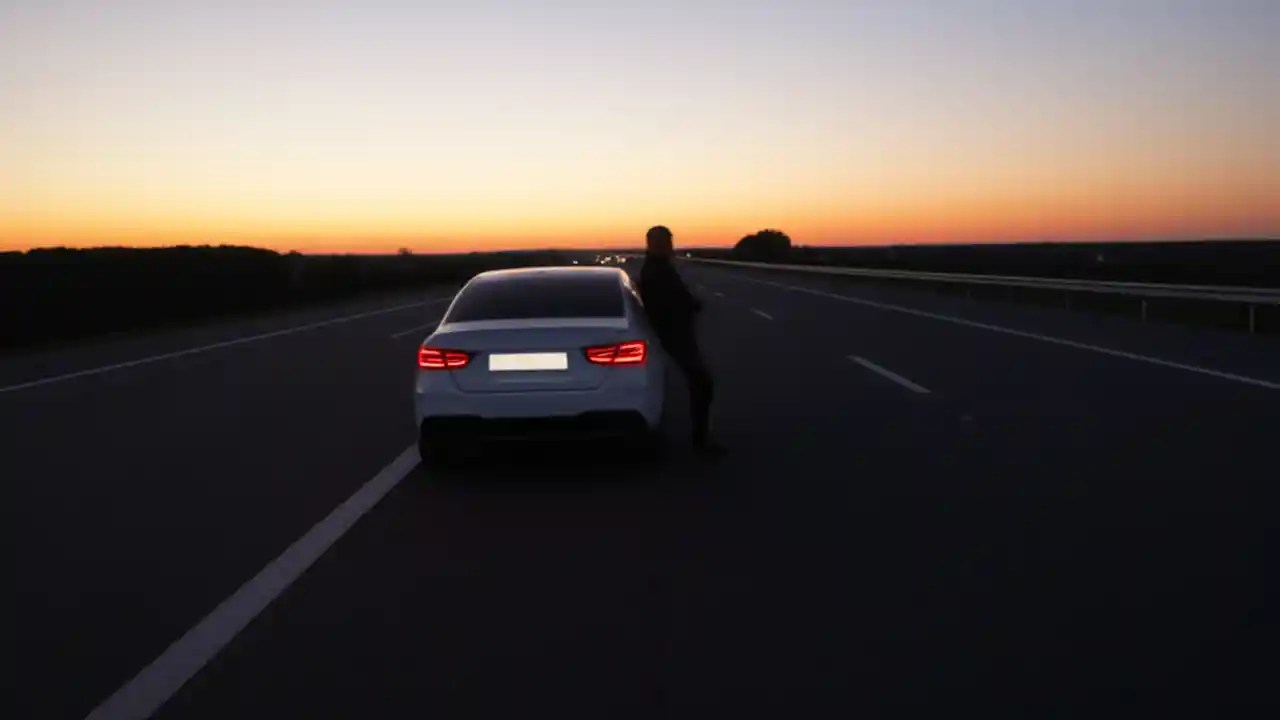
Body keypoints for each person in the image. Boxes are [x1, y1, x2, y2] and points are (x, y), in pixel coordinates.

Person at [637, 225, 725, 455]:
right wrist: (691, 305)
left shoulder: (657, 268)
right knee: (701, 383)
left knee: (699, 382)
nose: (668, 246)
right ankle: (701, 440)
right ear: (654, 244)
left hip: (673, 334)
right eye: (664, 242)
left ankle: (700, 437)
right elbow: (669, 302)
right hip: (673, 335)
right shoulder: (657, 270)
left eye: (668, 241)